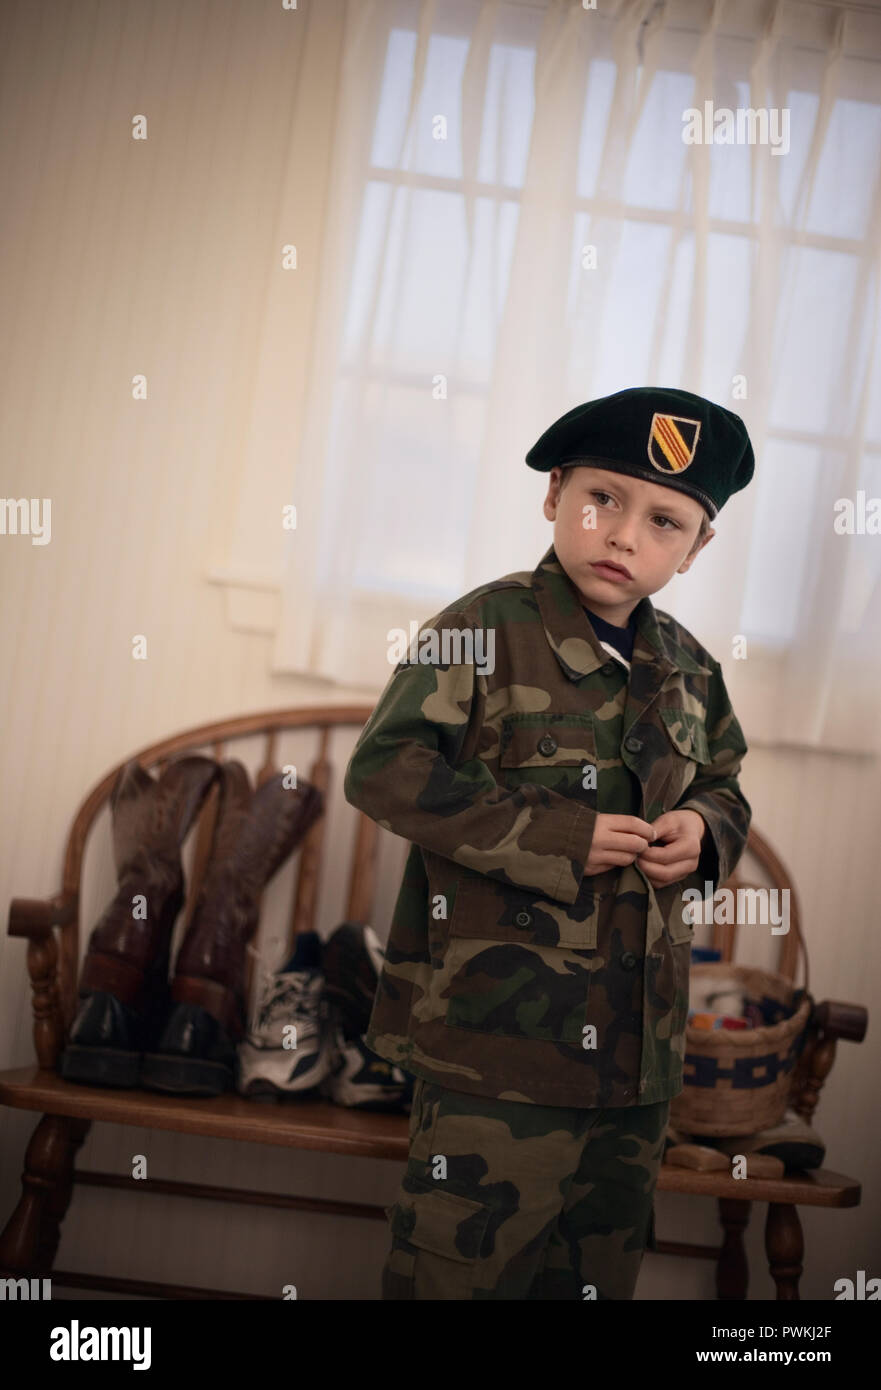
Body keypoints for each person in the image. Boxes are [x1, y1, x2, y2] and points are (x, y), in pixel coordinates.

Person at [343, 386, 754, 1299]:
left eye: (663, 521)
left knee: (593, 1276)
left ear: (695, 548)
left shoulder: (689, 670)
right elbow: (384, 769)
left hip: (636, 1060)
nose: (622, 535)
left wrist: (704, 830)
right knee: (457, 1273)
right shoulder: (482, 631)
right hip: (495, 1052)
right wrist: (560, 835)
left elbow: (724, 786)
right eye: (600, 499)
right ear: (554, 493)